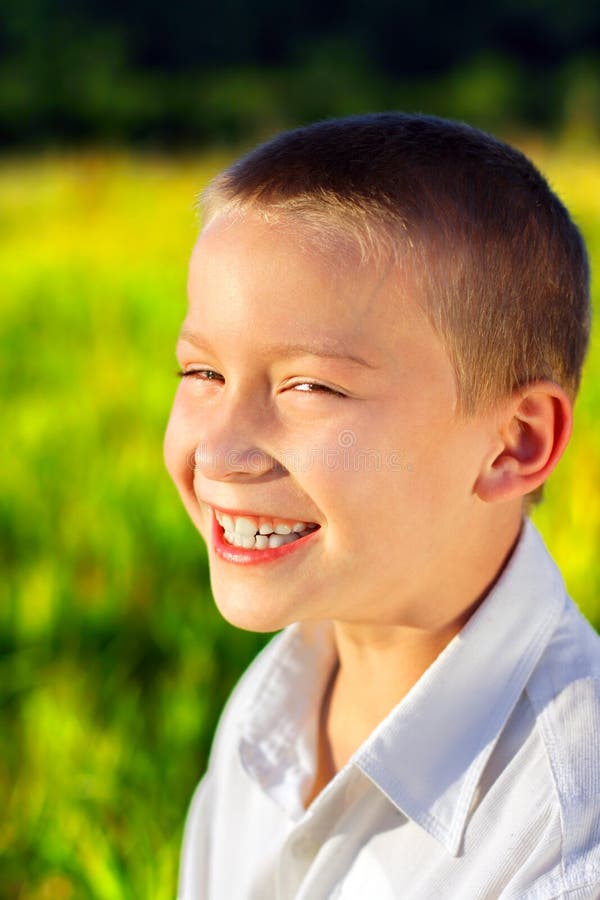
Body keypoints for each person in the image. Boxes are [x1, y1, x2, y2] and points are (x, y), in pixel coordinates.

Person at [164, 113, 600, 899]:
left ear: (514, 443)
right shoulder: (273, 704)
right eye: (201, 374)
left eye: (312, 386)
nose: (219, 452)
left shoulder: (564, 849)